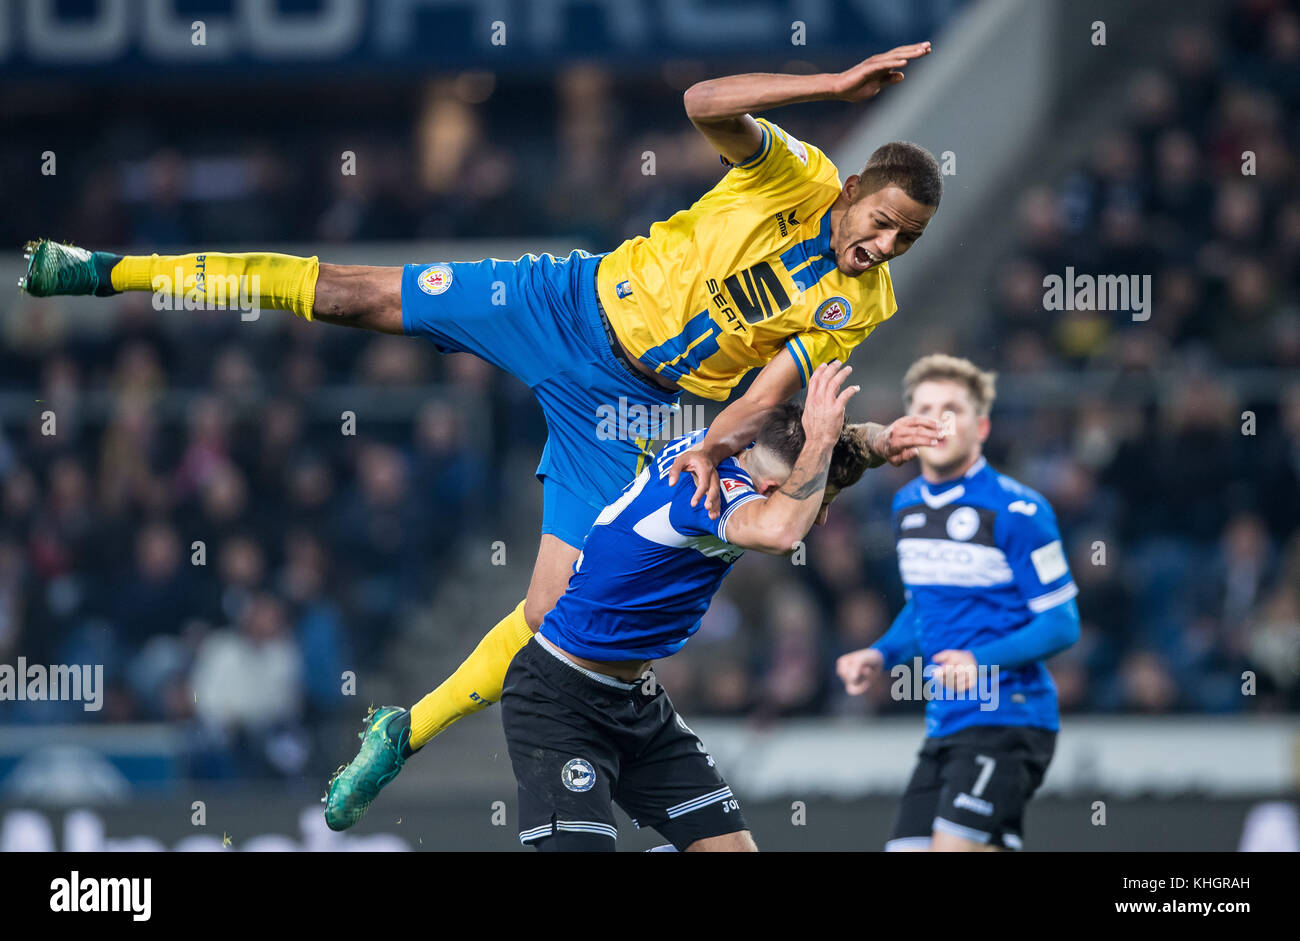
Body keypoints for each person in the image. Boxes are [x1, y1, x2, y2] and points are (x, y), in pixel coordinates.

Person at [22, 45, 943, 830]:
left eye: (903, 240)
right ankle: (108, 270)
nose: (883, 247)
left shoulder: (862, 299)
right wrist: (834, 81)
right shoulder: (798, 172)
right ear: (854, 189)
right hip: (565, 304)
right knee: (356, 292)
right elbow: (702, 102)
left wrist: (707, 444)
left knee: (555, 616)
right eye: (881, 223)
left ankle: (401, 730)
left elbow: (775, 388)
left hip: (627, 413)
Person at [504, 361, 869, 850]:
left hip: (635, 701)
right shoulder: (707, 490)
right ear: (770, 491)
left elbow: (760, 403)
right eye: (812, 501)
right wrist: (821, 441)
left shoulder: (725, 445)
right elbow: (781, 531)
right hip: (559, 698)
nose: (818, 519)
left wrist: (881, 441)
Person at [836, 354, 1081, 851]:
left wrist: (979, 660)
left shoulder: (1019, 510)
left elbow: (1061, 623)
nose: (939, 420)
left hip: (1009, 719)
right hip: (947, 722)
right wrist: (880, 654)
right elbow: (925, 608)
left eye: (953, 409)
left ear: (982, 424)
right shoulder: (907, 508)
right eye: (926, 408)